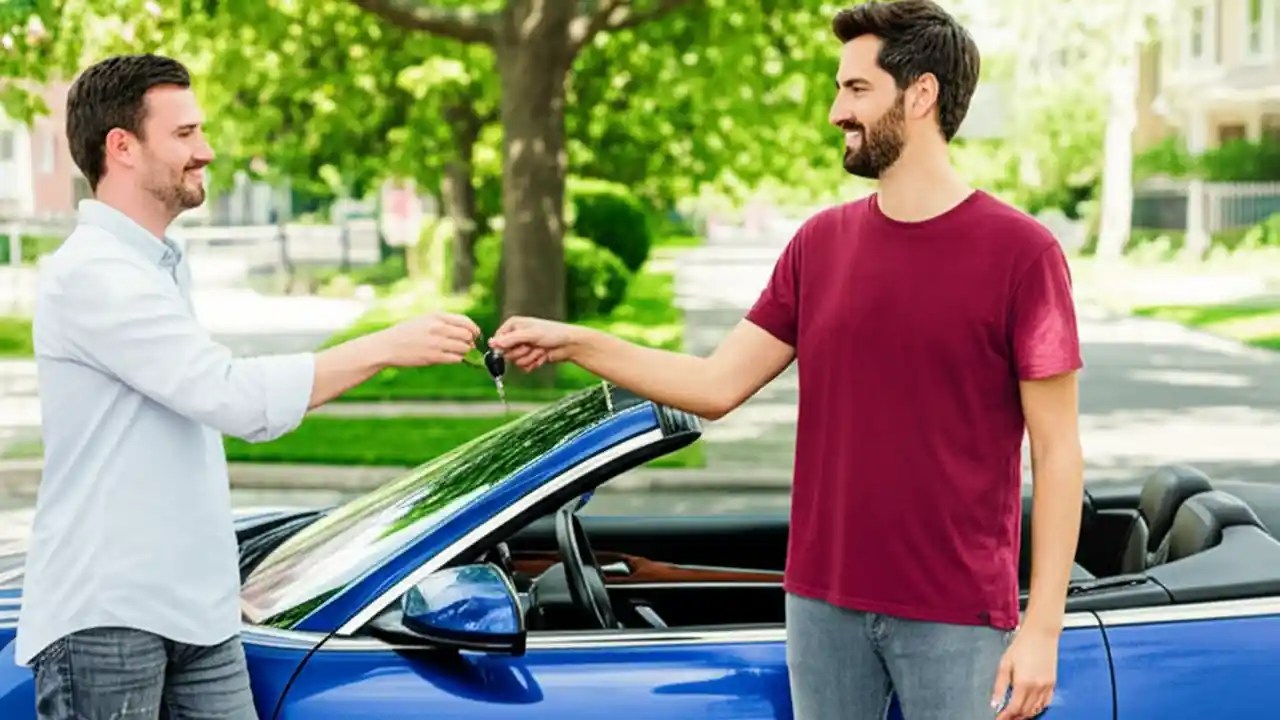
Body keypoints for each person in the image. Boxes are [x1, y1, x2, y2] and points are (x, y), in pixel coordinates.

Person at [489, 2, 1084, 719]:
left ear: (920, 94)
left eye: (856, 89)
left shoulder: (1022, 255)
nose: (836, 110)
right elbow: (715, 384)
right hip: (820, 607)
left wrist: (1042, 625)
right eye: (838, 89)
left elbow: (1057, 453)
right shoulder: (820, 245)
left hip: (956, 617)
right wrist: (576, 342)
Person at [15, 54, 481, 719]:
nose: (204, 151)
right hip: (108, 617)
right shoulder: (93, 274)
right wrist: (384, 349)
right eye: (184, 135)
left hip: (196, 610)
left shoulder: (159, 266)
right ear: (121, 147)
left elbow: (168, 445)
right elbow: (232, 398)